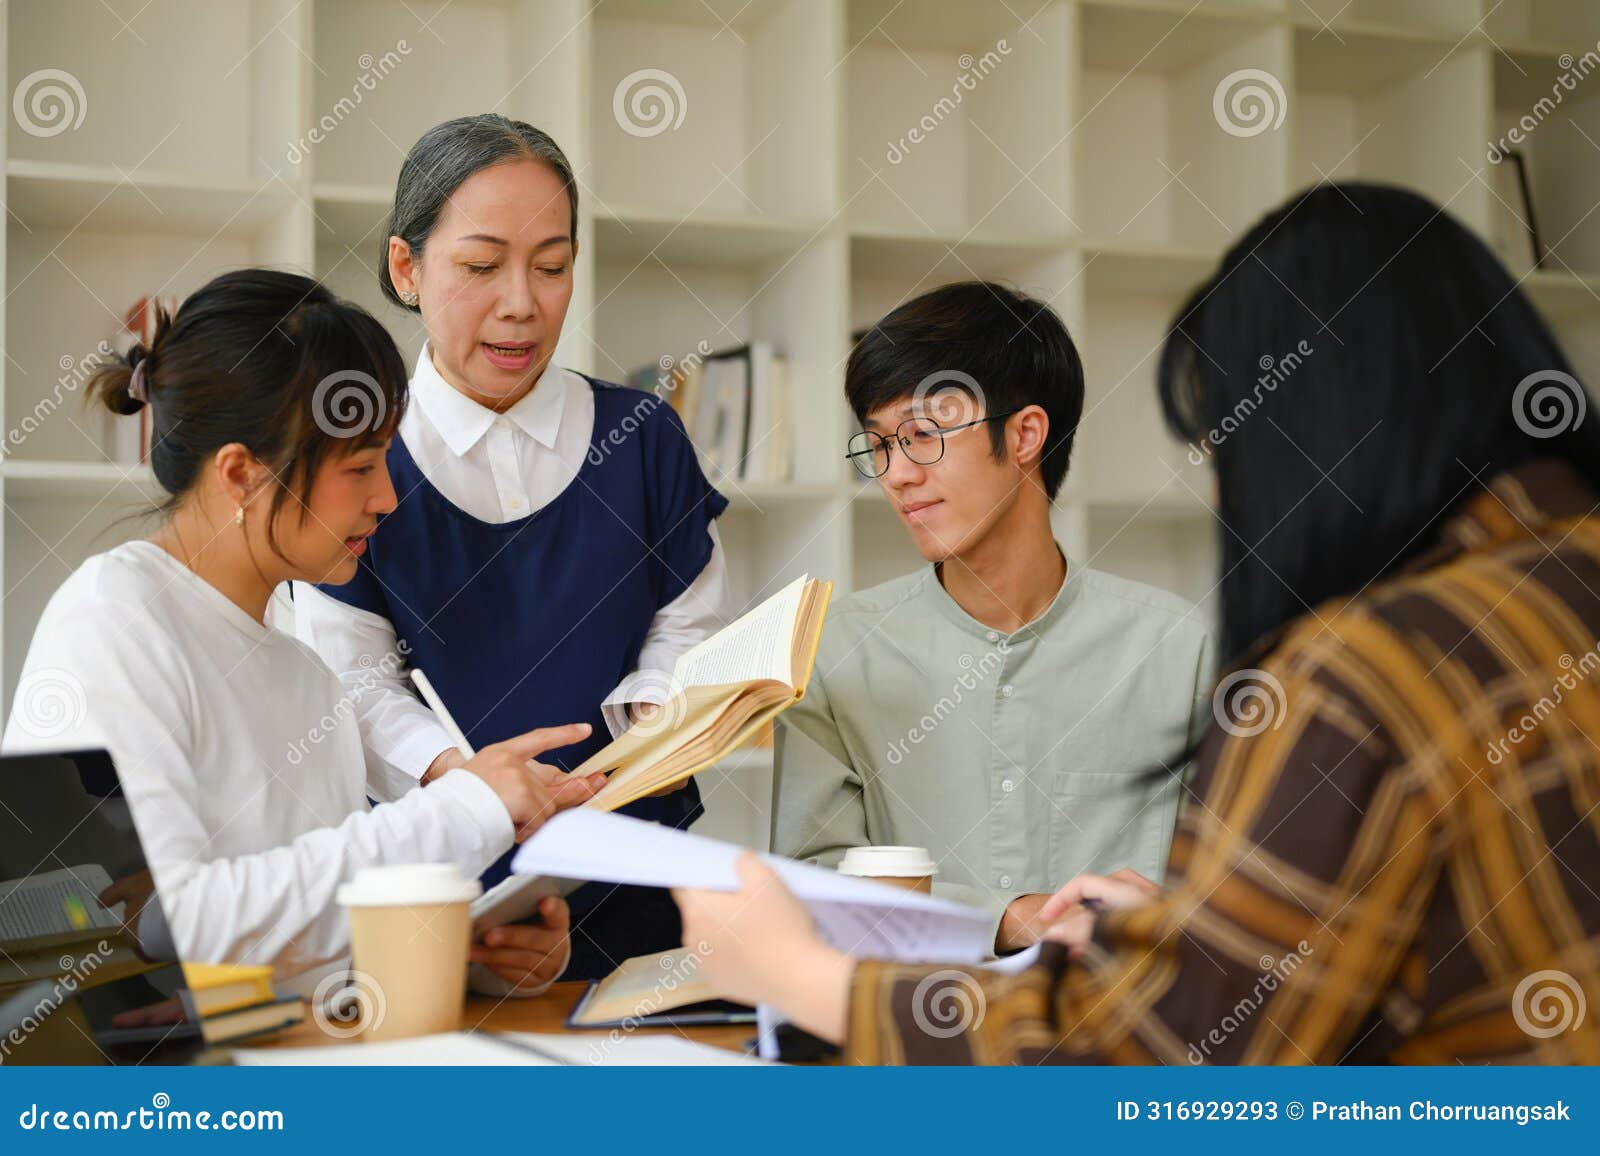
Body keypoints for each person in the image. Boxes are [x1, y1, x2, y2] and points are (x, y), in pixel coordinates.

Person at [676, 183, 1600, 1064]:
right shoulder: (1555, 589)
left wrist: (795, 975)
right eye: (880, 446)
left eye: (1228, 437)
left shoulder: (1346, 668)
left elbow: (1161, 1050)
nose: (1218, 483)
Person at [2, 269, 606, 997]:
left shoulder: (307, 675)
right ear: (240, 474)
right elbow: (174, 927)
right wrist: (465, 806)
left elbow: (305, 941)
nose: (386, 499)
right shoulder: (115, 619)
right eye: (360, 467)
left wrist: (471, 955)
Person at [292, 114, 731, 981]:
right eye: (482, 266)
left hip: (634, 874)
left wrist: (644, 729)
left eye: (554, 266)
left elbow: (688, 624)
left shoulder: (642, 436)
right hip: (438, 889)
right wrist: (473, 785)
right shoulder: (359, 452)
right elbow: (351, 681)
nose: (523, 302)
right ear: (406, 269)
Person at [772, 281, 1212, 952]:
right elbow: (812, 884)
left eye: (922, 435)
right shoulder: (833, 651)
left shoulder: (1180, 649)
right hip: (912, 1038)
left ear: (1027, 433)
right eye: (879, 446)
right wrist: (1007, 917)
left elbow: (1238, 889)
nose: (897, 475)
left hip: (1124, 1039)